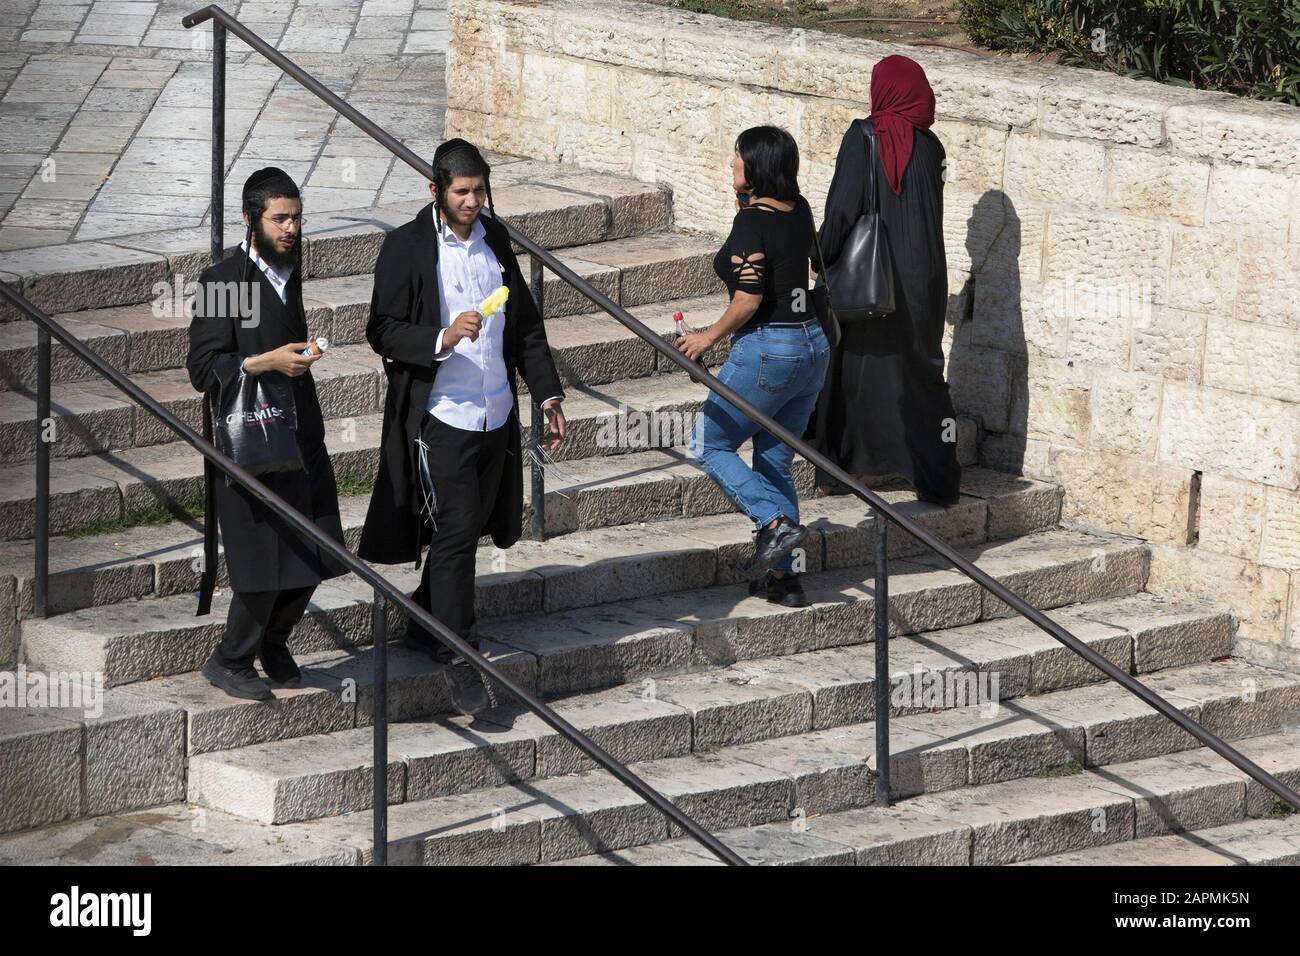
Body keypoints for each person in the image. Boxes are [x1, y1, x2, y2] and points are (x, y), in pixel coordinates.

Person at [358, 138, 566, 716]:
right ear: (436, 191)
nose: (475, 202)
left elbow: (524, 325)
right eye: (463, 192)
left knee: (475, 525)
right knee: (453, 530)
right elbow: (381, 329)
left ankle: (424, 619)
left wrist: (546, 393)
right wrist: (441, 337)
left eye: (481, 190)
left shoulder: (495, 238)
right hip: (441, 417)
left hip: (493, 413)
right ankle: (461, 654)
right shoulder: (405, 247)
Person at [187, 167, 347, 702]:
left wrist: (300, 355)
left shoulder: (290, 267)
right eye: (280, 218)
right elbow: (202, 366)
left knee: (316, 547)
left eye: (297, 218)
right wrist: (264, 362)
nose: (292, 228)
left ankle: (274, 645)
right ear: (250, 219)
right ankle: (231, 658)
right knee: (261, 560)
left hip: (300, 431)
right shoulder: (221, 281)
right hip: (251, 441)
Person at [676, 126, 830, 609]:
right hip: (812, 347)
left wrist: (706, 337)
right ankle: (785, 579)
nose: (731, 164)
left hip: (770, 348)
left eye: (738, 157)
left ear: (756, 167)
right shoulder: (798, 208)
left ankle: (772, 522)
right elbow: (790, 265)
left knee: (709, 443)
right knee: (773, 458)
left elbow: (750, 297)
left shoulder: (752, 224)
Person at [810, 54, 962, 506]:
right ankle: (935, 478)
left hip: (873, 278)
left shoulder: (863, 137)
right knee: (920, 374)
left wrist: (822, 256)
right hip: (925, 282)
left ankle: (844, 467)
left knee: (854, 370)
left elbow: (842, 208)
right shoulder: (931, 147)